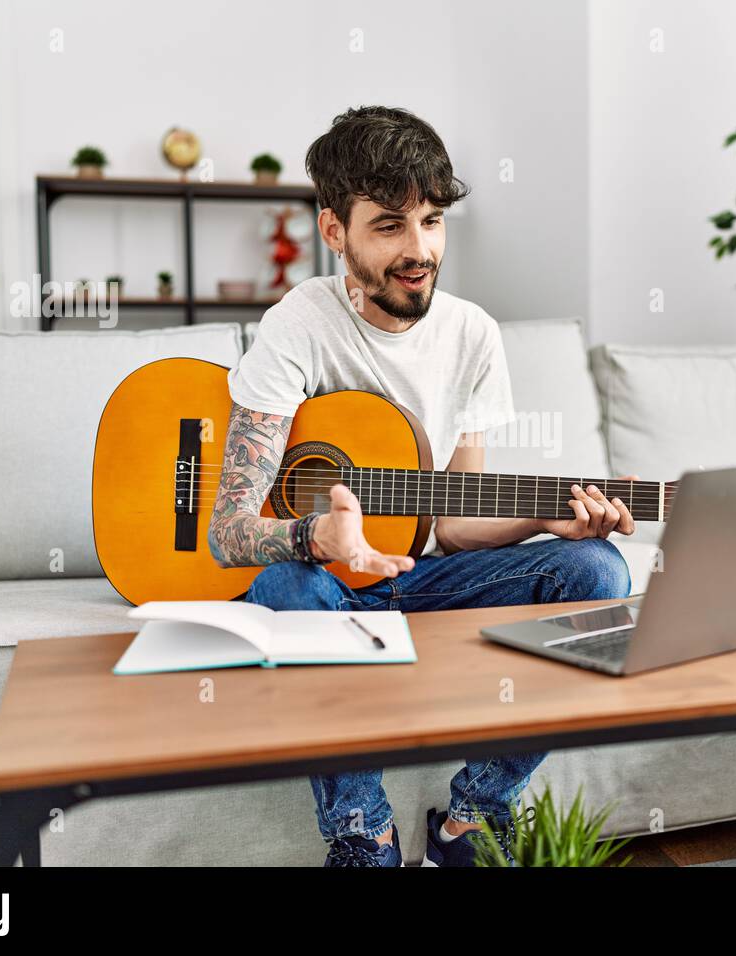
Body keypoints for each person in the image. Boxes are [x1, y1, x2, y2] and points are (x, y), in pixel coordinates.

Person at [208, 105, 635, 867]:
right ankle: (364, 834)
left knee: (598, 571)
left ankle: (472, 818)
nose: (420, 251)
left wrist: (545, 520)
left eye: (433, 222)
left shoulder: (472, 334)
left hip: (422, 578)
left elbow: (457, 524)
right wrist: (317, 537)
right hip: (327, 589)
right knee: (292, 587)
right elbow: (229, 528)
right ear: (334, 230)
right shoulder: (298, 324)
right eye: (390, 227)